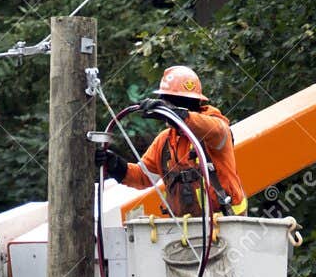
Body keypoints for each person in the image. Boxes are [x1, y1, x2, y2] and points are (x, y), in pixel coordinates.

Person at [96, 65, 248, 217]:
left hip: (227, 227)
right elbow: (143, 177)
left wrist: (178, 115)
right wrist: (115, 164)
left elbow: (214, 128)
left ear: (185, 104)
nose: (163, 105)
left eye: (168, 101)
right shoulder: (165, 141)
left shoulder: (215, 129)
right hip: (184, 229)